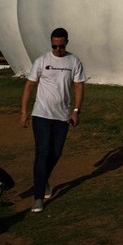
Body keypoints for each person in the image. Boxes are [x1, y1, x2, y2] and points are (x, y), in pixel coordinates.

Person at [20, 27, 86, 212]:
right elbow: (29, 86)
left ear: (66, 42)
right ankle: (38, 197)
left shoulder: (74, 61)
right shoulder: (42, 61)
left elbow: (79, 87)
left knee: (56, 153)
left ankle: (42, 180)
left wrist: (76, 111)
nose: (57, 49)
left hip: (62, 115)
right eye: (54, 46)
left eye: (60, 46)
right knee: (42, 153)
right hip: (41, 114)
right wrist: (24, 112)